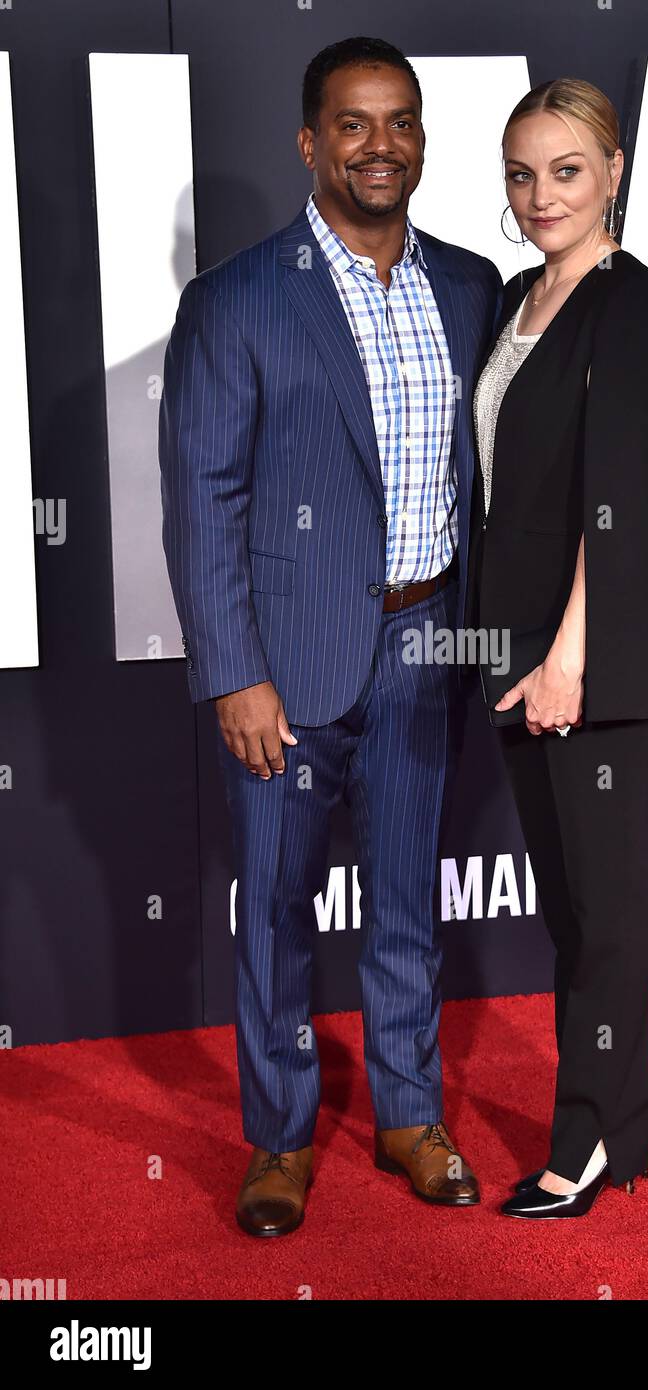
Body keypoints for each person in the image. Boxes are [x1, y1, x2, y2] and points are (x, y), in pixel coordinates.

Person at [159, 36, 502, 1237]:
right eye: (352, 125)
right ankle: (280, 1138)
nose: (379, 145)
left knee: (409, 895)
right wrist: (233, 673)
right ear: (310, 143)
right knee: (278, 913)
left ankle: (410, 1112)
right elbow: (203, 502)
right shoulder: (237, 300)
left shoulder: (469, 288)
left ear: (421, 140)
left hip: (424, 650)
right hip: (285, 673)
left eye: (399, 122)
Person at [469, 78, 648, 1218]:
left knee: (605, 916)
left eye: (565, 169)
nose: (542, 193)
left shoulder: (636, 307)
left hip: (587, 666)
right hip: (517, 653)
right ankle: (630, 1119)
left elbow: (627, 501)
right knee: (574, 913)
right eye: (522, 172)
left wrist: (570, 657)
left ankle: (588, 1137)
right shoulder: (516, 299)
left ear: (613, 172)